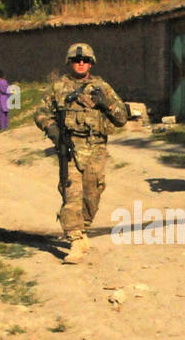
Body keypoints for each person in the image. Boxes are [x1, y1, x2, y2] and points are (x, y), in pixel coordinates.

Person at [33, 43, 128, 264]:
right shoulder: (58, 88)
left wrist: (106, 105)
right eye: (77, 60)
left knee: (92, 196)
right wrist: (52, 129)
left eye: (85, 60)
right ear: (70, 62)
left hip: (95, 149)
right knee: (71, 196)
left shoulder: (102, 87)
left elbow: (122, 118)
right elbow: (40, 112)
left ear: (91, 63)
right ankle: (75, 239)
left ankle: (82, 230)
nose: (81, 63)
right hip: (70, 148)